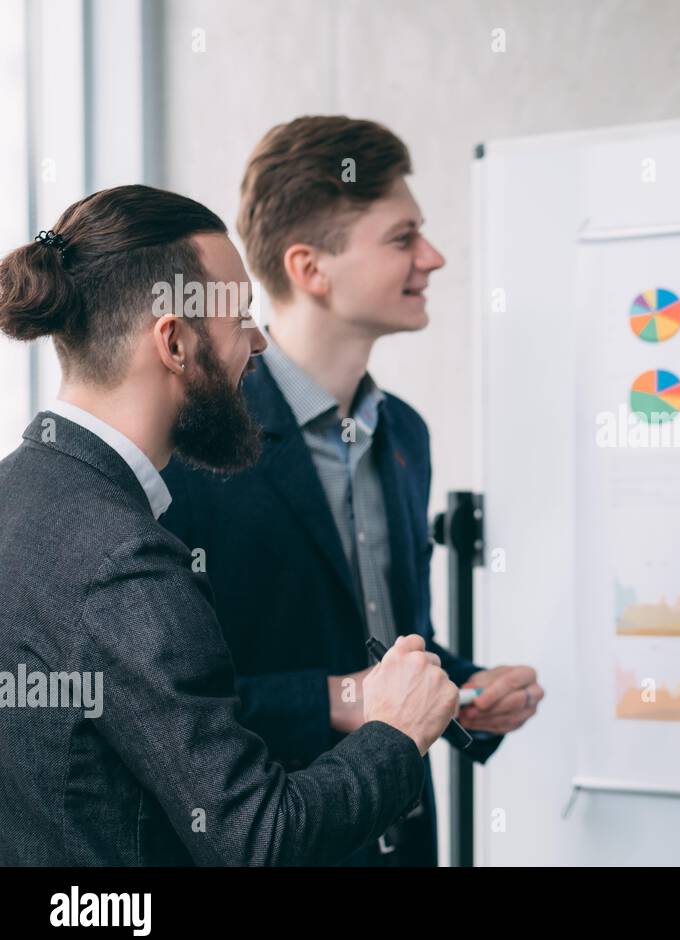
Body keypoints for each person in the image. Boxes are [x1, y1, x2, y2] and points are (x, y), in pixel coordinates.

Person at [0, 185, 460, 865]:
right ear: (176, 343)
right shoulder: (126, 561)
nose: (258, 342)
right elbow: (258, 837)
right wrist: (395, 733)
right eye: (240, 316)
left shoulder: (20, 488)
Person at [161, 116, 543, 866]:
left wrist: (471, 692)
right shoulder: (196, 446)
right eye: (402, 238)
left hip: (401, 841)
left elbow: (396, 640)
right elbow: (178, 709)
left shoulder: (404, 433)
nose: (432, 258)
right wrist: (343, 698)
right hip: (280, 839)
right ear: (310, 268)